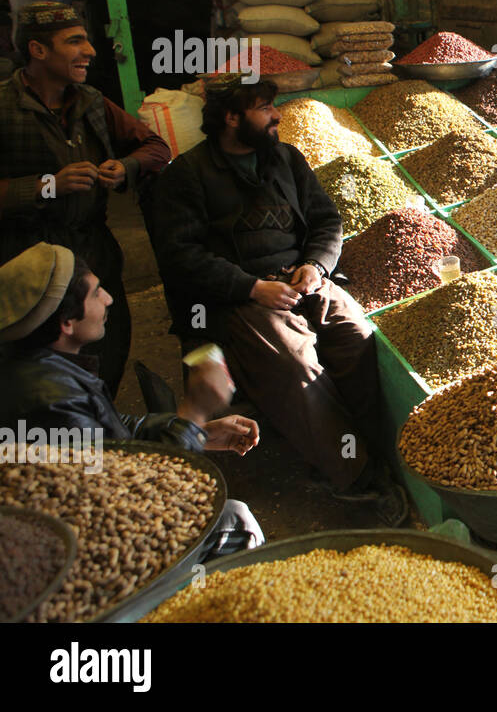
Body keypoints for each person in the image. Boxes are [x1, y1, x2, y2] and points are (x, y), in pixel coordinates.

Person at [146, 74, 407, 525]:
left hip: (302, 280)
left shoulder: (286, 159)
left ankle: (353, 444)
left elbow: (328, 221)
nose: (277, 115)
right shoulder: (186, 177)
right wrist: (251, 287)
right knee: (295, 363)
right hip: (239, 296)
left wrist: (316, 266)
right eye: (264, 108)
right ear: (231, 118)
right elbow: (182, 257)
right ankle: (355, 476)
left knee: (356, 335)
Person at [0, 242, 263, 557]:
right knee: (236, 521)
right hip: (91, 550)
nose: (109, 299)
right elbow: (128, 499)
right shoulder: (49, 402)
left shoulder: (41, 364)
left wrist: (199, 431)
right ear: (66, 322)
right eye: (97, 293)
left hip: (94, 516)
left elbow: (112, 435)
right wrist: (193, 411)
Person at [0, 1, 171, 399]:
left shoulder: (91, 101)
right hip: (26, 255)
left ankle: (99, 428)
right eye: (75, 41)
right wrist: (47, 186)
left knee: (106, 348)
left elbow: (156, 147)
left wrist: (125, 167)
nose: (90, 51)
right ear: (38, 50)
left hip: (92, 250)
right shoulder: (5, 107)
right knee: (38, 362)